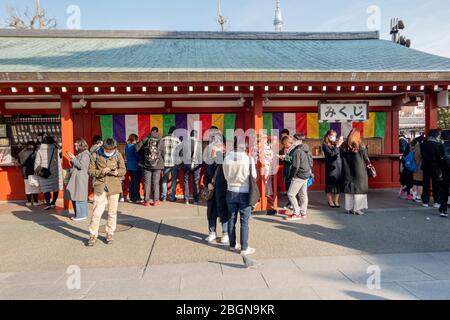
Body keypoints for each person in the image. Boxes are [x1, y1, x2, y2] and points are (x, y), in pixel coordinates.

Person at [87, 138, 126, 246]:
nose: (109, 152)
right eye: (107, 150)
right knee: (96, 213)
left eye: (112, 150)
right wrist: (101, 172)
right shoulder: (95, 155)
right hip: (100, 187)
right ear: (103, 147)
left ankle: (110, 233)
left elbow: (123, 170)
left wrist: (117, 172)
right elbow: (90, 171)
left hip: (114, 187)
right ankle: (93, 235)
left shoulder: (118, 155)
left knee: (112, 213)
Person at [223, 139, 257, 255]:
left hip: (230, 190)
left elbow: (225, 175)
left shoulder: (227, 158)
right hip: (244, 192)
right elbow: (254, 176)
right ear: (245, 146)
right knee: (244, 222)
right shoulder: (248, 159)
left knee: (231, 219)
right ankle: (244, 248)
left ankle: (232, 245)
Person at [283, 134, 313, 221]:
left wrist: (292, 175)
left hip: (299, 175)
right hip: (306, 174)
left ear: (297, 140)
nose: (292, 140)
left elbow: (296, 166)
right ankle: (303, 212)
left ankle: (296, 213)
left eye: (293, 138)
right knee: (303, 194)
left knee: (291, 194)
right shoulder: (306, 148)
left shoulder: (297, 151)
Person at [203, 142, 229, 244]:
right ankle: (212, 232)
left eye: (214, 150)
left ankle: (225, 233)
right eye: (211, 151)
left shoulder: (226, 161)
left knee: (223, 212)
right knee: (211, 213)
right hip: (213, 192)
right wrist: (208, 183)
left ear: (222, 151)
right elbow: (206, 176)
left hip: (223, 191)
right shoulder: (211, 162)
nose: (212, 152)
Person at [340, 129, 370, 215]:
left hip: (347, 170)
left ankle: (349, 208)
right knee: (359, 190)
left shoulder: (344, 145)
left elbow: (340, 155)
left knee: (349, 189)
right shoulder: (360, 145)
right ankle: (357, 209)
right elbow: (365, 157)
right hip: (359, 170)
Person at [136, 127, 165, 207]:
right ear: (157, 132)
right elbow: (163, 153)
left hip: (146, 165)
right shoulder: (161, 140)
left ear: (151, 131)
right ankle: (156, 201)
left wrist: (143, 154)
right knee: (156, 183)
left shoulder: (145, 139)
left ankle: (146, 201)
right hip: (157, 165)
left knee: (147, 183)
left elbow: (136, 148)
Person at [34, 136, 62, 210]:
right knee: (55, 188)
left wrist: (37, 171)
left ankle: (48, 203)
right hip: (55, 172)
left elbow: (37, 163)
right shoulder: (55, 149)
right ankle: (53, 202)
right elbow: (59, 161)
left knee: (46, 188)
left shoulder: (40, 150)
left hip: (44, 172)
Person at [65, 139, 91, 221]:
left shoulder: (86, 154)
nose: (75, 147)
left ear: (81, 145)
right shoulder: (81, 154)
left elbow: (81, 166)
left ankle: (81, 215)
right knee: (75, 195)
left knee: (80, 196)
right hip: (77, 177)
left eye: (77, 145)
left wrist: (73, 158)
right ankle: (79, 214)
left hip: (81, 178)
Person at [421, 129, 443, 208]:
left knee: (425, 184)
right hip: (435, 167)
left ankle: (425, 201)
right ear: (436, 135)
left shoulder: (423, 144)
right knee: (436, 184)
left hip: (425, 166)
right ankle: (436, 201)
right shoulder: (438, 145)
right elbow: (439, 157)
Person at [180, 130, 203, 205]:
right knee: (196, 182)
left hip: (186, 164)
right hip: (196, 164)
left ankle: (186, 200)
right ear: (196, 136)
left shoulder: (185, 142)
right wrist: (200, 166)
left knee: (186, 181)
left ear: (190, 135)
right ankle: (196, 200)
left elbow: (181, 154)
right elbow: (200, 156)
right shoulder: (199, 144)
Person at [322, 130, 343, 208]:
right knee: (330, 184)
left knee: (338, 184)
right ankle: (330, 201)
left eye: (335, 136)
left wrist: (340, 144)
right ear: (328, 136)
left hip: (339, 166)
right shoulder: (325, 145)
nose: (334, 137)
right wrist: (337, 146)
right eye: (332, 136)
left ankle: (336, 201)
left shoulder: (336, 143)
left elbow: (341, 153)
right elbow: (331, 154)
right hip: (330, 167)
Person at [160, 126, 181, 202]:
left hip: (165, 163)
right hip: (174, 163)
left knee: (164, 179)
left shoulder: (163, 139)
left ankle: (164, 197)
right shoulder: (177, 140)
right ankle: (172, 197)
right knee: (174, 180)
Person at [18, 141, 40, 206]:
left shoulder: (22, 153)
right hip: (34, 172)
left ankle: (29, 202)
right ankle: (36, 201)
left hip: (25, 173)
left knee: (27, 188)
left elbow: (19, 161)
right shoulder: (36, 153)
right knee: (35, 187)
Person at [125, 134, 142, 203]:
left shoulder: (127, 146)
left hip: (129, 166)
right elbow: (137, 156)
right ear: (135, 139)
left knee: (132, 181)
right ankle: (136, 197)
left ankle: (131, 196)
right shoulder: (134, 147)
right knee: (136, 182)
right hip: (136, 166)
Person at [438, 130, 450, 217]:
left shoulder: (440, 146)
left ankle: (443, 209)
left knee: (444, 191)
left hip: (444, 171)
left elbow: (437, 160)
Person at [411, 135, 425, 203]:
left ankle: (414, 196)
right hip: (419, 166)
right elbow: (419, 156)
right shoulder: (419, 146)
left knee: (415, 182)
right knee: (420, 183)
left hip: (413, 166)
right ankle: (418, 197)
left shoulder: (412, 146)